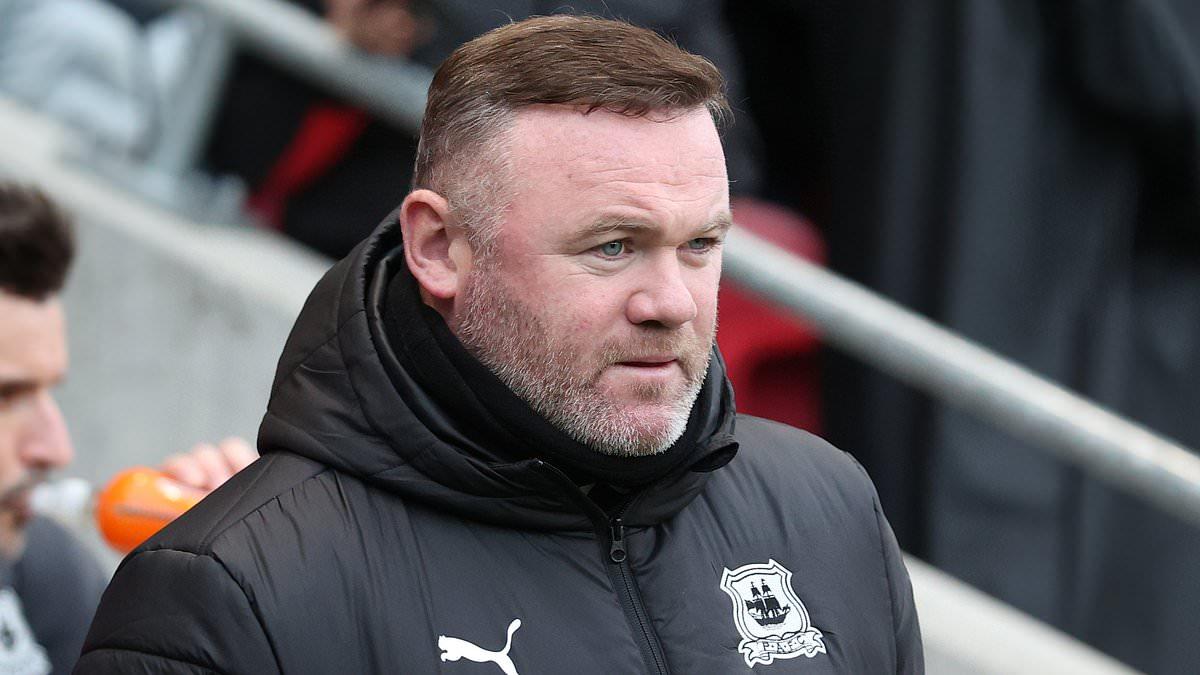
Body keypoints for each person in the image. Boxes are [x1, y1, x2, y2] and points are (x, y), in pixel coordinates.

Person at [77, 16, 922, 673]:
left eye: (700, 244)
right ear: (439, 247)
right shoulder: (234, 590)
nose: (671, 302)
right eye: (613, 246)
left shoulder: (828, 508)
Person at [0, 183, 256, 675]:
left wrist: (206, 625)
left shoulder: (50, 579)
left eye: (49, 392)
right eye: (7, 395)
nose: (56, 448)